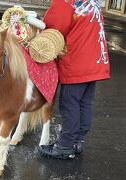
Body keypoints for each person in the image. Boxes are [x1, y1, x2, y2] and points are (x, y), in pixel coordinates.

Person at [38, 0, 110, 159]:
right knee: (85, 102)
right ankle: (77, 141)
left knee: (69, 103)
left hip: (77, 60)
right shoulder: (93, 2)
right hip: (94, 60)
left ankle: (65, 146)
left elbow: (53, 28)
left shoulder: (66, 1)